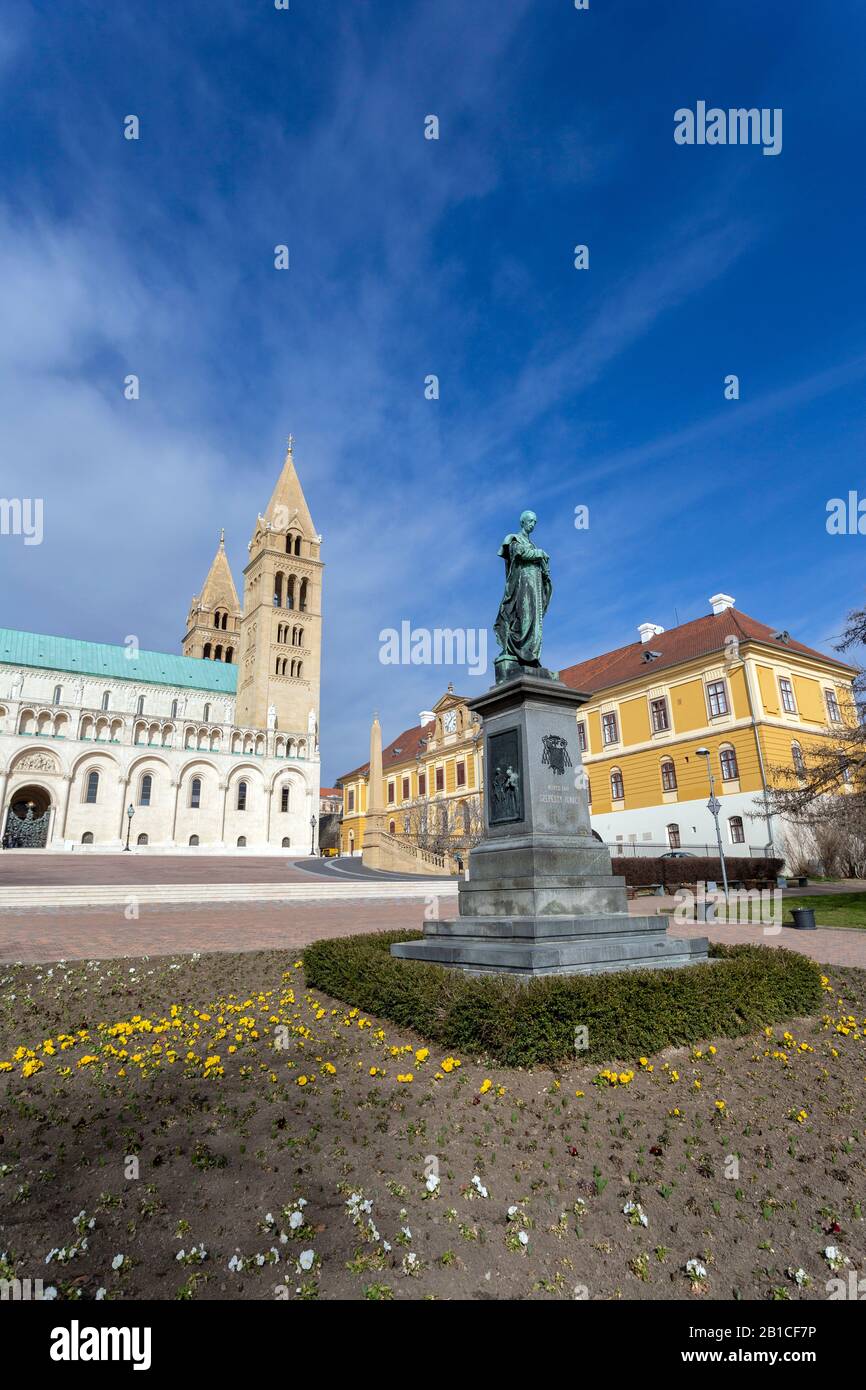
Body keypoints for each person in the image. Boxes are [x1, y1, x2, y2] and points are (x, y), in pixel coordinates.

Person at [494, 510, 551, 672]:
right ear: (523, 522)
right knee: (525, 615)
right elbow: (518, 552)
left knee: (535, 619)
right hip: (523, 583)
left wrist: (544, 572)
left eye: (535, 522)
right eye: (530, 521)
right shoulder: (513, 539)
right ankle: (521, 650)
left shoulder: (532, 543)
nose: (532, 524)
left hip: (535, 583)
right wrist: (538, 554)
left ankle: (531, 654)